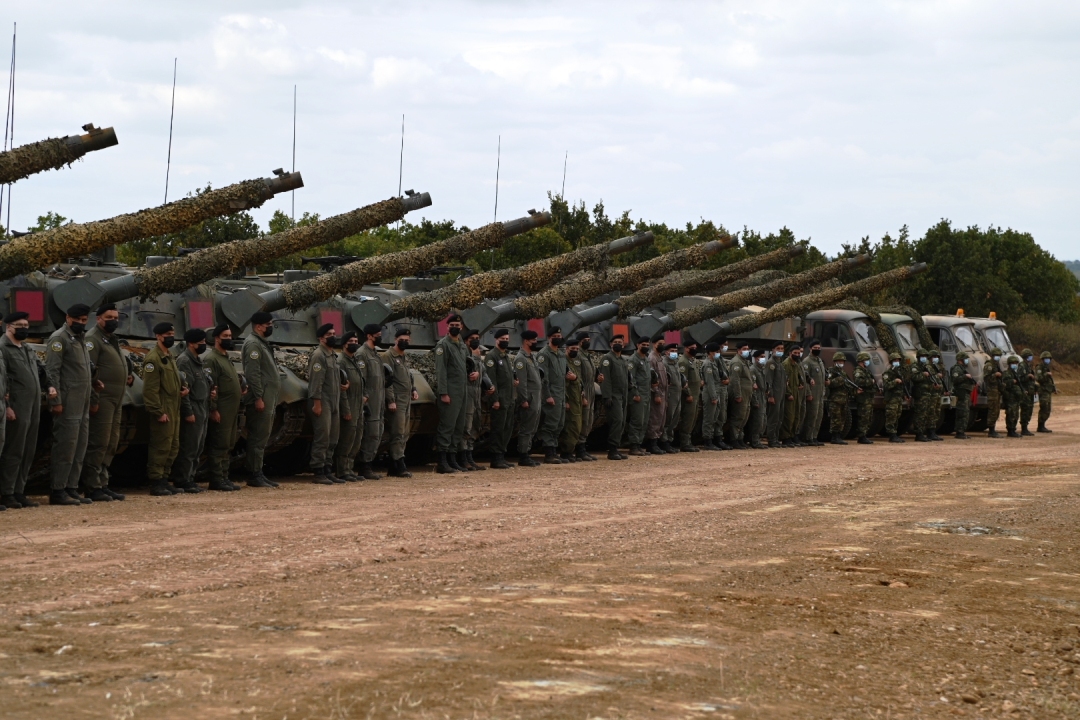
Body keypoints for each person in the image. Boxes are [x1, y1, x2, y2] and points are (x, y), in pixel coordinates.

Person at [46, 303, 97, 505]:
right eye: (78, 320)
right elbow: (52, 371)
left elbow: (86, 373)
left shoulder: (80, 339)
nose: (82, 323)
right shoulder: (60, 338)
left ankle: (71, 487)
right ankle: (58, 490)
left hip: (82, 401)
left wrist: (93, 395)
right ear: (68, 318)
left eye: (85, 320)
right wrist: (56, 400)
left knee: (79, 446)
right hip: (68, 401)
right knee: (66, 447)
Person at [82, 303, 132, 501]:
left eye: (116, 317)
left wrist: (129, 375)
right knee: (98, 442)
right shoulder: (92, 340)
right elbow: (89, 373)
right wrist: (94, 399)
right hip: (102, 399)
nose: (113, 320)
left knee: (111, 442)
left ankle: (102, 482)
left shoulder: (111, 339)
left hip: (117, 398)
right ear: (98, 319)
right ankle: (92, 485)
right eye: (109, 317)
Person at [143, 322, 193, 496]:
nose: (171, 336)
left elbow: (172, 380)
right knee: (161, 446)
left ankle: (164, 479)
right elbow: (150, 390)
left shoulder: (169, 356)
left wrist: (182, 390)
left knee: (173, 446)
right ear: (158, 336)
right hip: (163, 408)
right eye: (167, 334)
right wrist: (158, 411)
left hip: (174, 405)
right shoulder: (153, 358)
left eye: (172, 333)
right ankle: (156, 482)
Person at [0, 312, 42, 509]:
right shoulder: (3, 348)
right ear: (8, 326)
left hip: (33, 405)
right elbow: (3, 379)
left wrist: (49, 386)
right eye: (20, 325)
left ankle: (19, 490)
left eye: (27, 324)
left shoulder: (26, 348)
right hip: (16, 405)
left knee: (28, 450)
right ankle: (6, 492)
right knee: (13, 450)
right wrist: (7, 407)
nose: (25, 328)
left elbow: (40, 370)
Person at [243, 311, 281, 488]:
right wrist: (258, 397)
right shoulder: (253, 345)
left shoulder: (261, 344)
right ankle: (253, 474)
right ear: (259, 326)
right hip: (262, 396)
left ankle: (258, 471)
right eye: (269, 324)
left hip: (268, 396)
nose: (271, 327)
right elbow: (253, 373)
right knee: (258, 437)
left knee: (263, 437)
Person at [204, 325, 244, 492]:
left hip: (232, 408)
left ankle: (224, 477)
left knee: (228, 444)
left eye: (230, 335)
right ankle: (216, 479)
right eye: (225, 336)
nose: (229, 338)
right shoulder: (211, 359)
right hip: (221, 408)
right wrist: (213, 409)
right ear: (216, 338)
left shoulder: (225, 357)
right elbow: (211, 386)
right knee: (219, 444)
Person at [170, 328, 210, 492]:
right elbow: (184, 390)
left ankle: (190, 477)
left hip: (202, 406)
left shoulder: (196, 360)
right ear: (191, 343)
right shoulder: (185, 361)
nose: (203, 345)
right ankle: (182, 479)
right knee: (189, 446)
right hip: (193, 406)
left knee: (198, 446)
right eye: (201, 342)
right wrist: (188, 412)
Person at [307, 323, 346, 484]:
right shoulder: (319, 355)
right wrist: (317, 403)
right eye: (329, 334)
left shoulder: (332, 355)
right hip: (323, 401)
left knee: (333, 437)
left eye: (334, 333)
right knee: (322, 437)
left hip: (334, 400)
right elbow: (316, 382)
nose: (333, 336)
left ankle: (327, 468)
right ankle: (318, 470)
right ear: (321, 338)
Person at [434, 315, 469, 473]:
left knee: (459, 427)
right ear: (447, 327)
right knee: (447, 426)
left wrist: (472, 373)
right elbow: (441, 371)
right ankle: (442, 461)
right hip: (450, 391)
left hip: (462, 391)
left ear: (461, 327)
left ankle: (453, 459)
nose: (455, 327)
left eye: (457, 324)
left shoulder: (462, 345)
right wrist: (443, 392)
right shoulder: (443, 345)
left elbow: (466, 365)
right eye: (452, 324)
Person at [383, 327, 418, 477]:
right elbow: (387, 380)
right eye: (402, 340)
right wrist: (390, 400)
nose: (404, 342)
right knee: (397, 432)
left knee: (405, 432)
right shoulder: (388, 356)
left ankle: (393, 466)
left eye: (407, 340)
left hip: (406, 398)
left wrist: (414, 389)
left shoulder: (404, 357)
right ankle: (399, 464)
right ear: (395, 340)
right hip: (396, 399)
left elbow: (408, 375)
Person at [334, 332, 366, 480]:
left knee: (356, 437)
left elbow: (361, 380)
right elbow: (342, 388)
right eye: (351, 341)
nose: (354, 343)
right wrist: (346, 409)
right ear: (344, 343)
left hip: (359, 403)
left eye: (356, 340)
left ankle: (350, 468)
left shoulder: (355, 360)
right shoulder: (341, 361)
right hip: (349, 404)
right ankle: (342, 470)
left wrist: (365, 396)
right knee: (347, 438)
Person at [537, 326, 571, 464]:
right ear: (549, 338)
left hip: (561, 394)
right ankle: (549, 453)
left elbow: (564, 378)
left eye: (559, 336)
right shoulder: (544, 354)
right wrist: (547, 395)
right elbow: (543, 378)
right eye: (555, 336)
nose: (558, 338)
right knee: (550, 424)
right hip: (551, 395)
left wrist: (566, 398)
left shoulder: (562, 354)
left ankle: (554, 449)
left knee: (559, 424)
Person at [357, 323, 387, 479]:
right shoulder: (362, 354)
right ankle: (364, 466)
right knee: (371, 433)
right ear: (369, 336)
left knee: (378, 432)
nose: (380, 336)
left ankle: (369, 464)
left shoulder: (375, 354)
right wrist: (365, 398)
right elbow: (361, 378)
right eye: (378, 334)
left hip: (379, 400)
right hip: (369, 400)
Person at [484, 328, 515, 469]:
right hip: (500, 398)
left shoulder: (506, 356)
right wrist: (495, 399)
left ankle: (502, 455)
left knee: (507, 428)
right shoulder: (492, 356)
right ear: (496, 340)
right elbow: (492, 380)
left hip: (509, 398)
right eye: (502, 339)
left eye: (507, 339)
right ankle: (496, 458)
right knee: (498, 428)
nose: (505, 341)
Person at [513, 329, 543, 466]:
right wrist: (523, 399)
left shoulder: (532, 357)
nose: (535, 342)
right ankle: (523, 455)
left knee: (533, 427)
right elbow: (522, 381)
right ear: (526, 341)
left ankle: (528, 453)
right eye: (533, 340)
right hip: (529, 398)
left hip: (536, 396)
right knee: (526, 427)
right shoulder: (521, 358)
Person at [461, 328, 488, 471]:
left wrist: (489, 386)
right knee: (466, 426)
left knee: (476, 425)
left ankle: (470, 457)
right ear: (466, 341)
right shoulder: (463, 354)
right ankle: (463, 457)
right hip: (467, 392)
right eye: (472, 338)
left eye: (477, 337)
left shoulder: (477, 355)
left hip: (477, 393)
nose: (476, 340)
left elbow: (483, 372)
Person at [599, 333, 630, 460]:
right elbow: (605, 379)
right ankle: (612, 449)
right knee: (616, 420)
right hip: (613, 394)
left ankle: (616, 447)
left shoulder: (622, 360)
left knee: (622, 421)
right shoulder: (607, 359)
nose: (618, 344)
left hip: (623, 394)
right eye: (615, 342)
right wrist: (607, 396)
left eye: (620, 342)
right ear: (611, 344)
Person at [625, 337, 652, 456]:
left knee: (644, 421)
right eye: (643, 344)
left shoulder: (646, 359)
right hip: (638, 394)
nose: (645, 346)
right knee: (637, 420)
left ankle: (639, 444)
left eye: (647, 344)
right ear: (637, 345)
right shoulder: (633, 360)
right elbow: (631, 378)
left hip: (646, 394)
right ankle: (633, 445)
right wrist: (635, 393)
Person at [574, 334, 599, 462]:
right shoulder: (578, 355)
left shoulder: (587, 355)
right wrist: (582, 394)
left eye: (589, 340)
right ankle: (579, 448)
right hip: (583, 391)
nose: (588, 342)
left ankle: (583, 446)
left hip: (591, 390)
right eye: (585, 341)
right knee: (583, 420)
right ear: (579, 342)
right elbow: (578, 375)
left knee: (589, 420)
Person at [726, 342, 754, 449]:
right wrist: (738, 395)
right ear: (738, 350)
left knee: (744, 417)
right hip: (740, 394)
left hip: (747, 394)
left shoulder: (744, 362)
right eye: (744, 348)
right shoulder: (737, 362)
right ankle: (734, 439)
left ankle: (740, 439)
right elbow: (735, 380)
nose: (746, 350)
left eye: (747, 348)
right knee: (738, 417)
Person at [676, 339, 701, 452]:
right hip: (689, 396)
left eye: (695, 347)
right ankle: (684, 443)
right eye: (692, 347)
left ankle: (689, 441)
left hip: (695, 395)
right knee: (687, 419)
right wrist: (688, 394)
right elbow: (683, 381)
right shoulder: (683, 362)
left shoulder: (691, 361)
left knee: (693, 419)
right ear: (686, 348)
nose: (695, 349)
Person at [800, 339, 827, 446]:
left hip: (820, 394)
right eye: (815, 348)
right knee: (811, 416)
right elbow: (805, 379)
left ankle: (814, 436)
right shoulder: (807, 362)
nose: (817, 350)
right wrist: (808, 393)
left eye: (818, 348)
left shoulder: (819, 361)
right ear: (810, 349)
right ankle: (807, 437)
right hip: (813, 393)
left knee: (819, 416)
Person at [645, 337, 669, 455]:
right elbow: (653, 378)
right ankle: (652, 444)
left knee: (661, 419)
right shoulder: (652, 358)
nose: (662, 346)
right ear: (654, 344)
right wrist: (656, 393)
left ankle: (658, 442)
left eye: (663, 344)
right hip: (657, 393)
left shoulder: (660, 358)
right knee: (655, 418)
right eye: (660, 344)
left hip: (664, 392)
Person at [700, 343, 726, 450]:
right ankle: (707, 441)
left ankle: (714, 439)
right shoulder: (707, 364)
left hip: (716, 392)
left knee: (715, 417)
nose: (718, 353)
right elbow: (709, 382)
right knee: (709, 418)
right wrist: (714, 397)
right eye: (717, 351)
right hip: (711, 393)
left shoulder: (713, 363)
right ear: (711, 352)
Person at [764, 342, 788, 449]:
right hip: (775, 395)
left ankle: (776, 438)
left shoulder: (780, 363)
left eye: (782, 348)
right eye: (778, 348)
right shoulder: (771, 363)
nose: (780, 350)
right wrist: (770, 395)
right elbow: (769, 381)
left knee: (779, 417)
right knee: (773, 418)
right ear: (773, 350)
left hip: (781, 394)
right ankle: (771, 439)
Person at [781, 344, 806, 447]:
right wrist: (788, 393)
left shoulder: (796, 364)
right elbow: (784, 381)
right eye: (795, 353)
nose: (797, 355)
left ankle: (793, 435)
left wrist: (800, 383)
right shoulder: (786, 364)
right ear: (790, 353)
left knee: (796, 415)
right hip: (790, 394)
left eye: (798, 353)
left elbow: (799, 376)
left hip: (796, 393)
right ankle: (786, 437)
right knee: (788, 416)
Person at [825, 351, 851, 445]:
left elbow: (847, 384)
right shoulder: (831, 371)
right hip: (834, 399)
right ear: (835, 361)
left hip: (843, 399)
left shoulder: (842, 372)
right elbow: (829, 383)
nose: (841, 363)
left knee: (842, 418)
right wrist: (840, 380)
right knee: (836, 418)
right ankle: (834, 436)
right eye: (839, 361)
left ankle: (839, 435)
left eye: (842, 361)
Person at [911, 348, 936, 442]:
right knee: (920, 414)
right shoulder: (915, 366)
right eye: (922, 356)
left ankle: (924, 432)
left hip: (928, 394)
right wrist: (923, 374)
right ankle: (919, 433)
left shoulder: (928, 366)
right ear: (918, 357)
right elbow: (914, 377)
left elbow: (932, 377)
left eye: (925, 356)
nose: (924, 358)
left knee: (926, 414)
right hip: (920, 394)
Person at [661, 343, 682, 453]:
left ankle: (669, 440)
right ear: (666, 352)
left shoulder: (675, 363)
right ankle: (664, 441)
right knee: (667, 419)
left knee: (674, 419)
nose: (674, 352)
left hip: (677, 394)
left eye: (675, 350)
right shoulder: (664, 363)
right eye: (672, 350)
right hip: (669, 394)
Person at [950, 351, 976, 439]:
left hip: (965, 393)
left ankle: (962, 431)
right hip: (961, 393)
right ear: (960, 360)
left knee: (965, 412)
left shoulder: (962, 368)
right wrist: (965, 376)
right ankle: (959, 432)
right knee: (962, 412)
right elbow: (955, 379)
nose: (966, 361)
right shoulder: (957, 368)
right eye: (965, 359)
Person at [881, 352, 907, 443]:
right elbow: (886, 386)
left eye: (898, 360)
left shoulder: (900, 372)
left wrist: (905, 395)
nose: (897, 361)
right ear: (891, 361)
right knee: (891, 416)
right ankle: (892, 435)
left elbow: (903, 386)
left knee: (897, 416)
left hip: (898, 398)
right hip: (891, 398)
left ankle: (895, 434)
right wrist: (895, 381)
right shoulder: (887, 373)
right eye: (895, 360)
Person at [852, 352, 875, 444]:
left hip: (868, 397)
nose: (868, 361)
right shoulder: (858, 371)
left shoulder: (866, 370)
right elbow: (859, 382)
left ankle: (864, 435)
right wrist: (871, 381)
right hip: (863, 398)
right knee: (863, 417)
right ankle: (861, 436)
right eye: (866, 360)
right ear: (861, 361)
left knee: (868, 417)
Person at [747, 350, 768, 449]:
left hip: (762, 396)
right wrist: (755, 400)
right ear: (756, 358)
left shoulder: (762, 369)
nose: (764, 358)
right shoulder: (753, 369)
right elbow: (754, 387)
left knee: (763, 420)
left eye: (764, 356)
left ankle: (758, 439)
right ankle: (754, 441)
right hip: (757, 396)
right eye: (762, 356)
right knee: (757, 420)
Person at [1002, 355, 1025, 438]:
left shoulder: (1015, 373)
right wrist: (1012, 381)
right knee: (1011, 414)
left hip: (1016, 398)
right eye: (1013, 363)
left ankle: (1013, 429)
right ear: (1009, 364)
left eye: (1016, 363)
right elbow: (1004, 384)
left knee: (1015, 414)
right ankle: (1010, 430)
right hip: (1010, 398)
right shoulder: (1006, 373)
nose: (1015, 364)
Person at [984, 348, 1004, 438]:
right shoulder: (989, 365)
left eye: (999, 356)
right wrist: (994, 375)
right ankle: (991, 431)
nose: (998, 357)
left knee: (996, 410)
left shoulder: (996, 365)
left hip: (997, 390)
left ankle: (993, 429)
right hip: (992, 391)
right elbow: (986, 378)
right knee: (993, 410)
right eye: (996, 355)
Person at [1035, 351, 1057, 432]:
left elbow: (1050, 380)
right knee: (1044, 407)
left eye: (1048, 359)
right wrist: (1046, 374)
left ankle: (1042, 425)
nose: (1047, 360)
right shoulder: (1039, 368)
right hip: (1043, 391)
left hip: (1048, 391)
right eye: (1046, 359)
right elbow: (1038, 378)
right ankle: (1040, 426)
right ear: (1042, 359)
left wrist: (1054, 388)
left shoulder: (1047, 367)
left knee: (1047, 409)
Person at [1019, 348, 1038, 436]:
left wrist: (1034, 389)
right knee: (1025, 409)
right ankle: (1024, 428)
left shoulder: (1028, 366)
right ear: (1026, 357)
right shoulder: (1022, 366)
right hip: (1025, 391)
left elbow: (1032, 381)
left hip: (1030, 391)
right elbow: (1020, 379)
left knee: (1029, 410)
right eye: (1029, 356)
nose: (1031, 358)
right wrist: (1028, 376)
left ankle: (1026, 427)